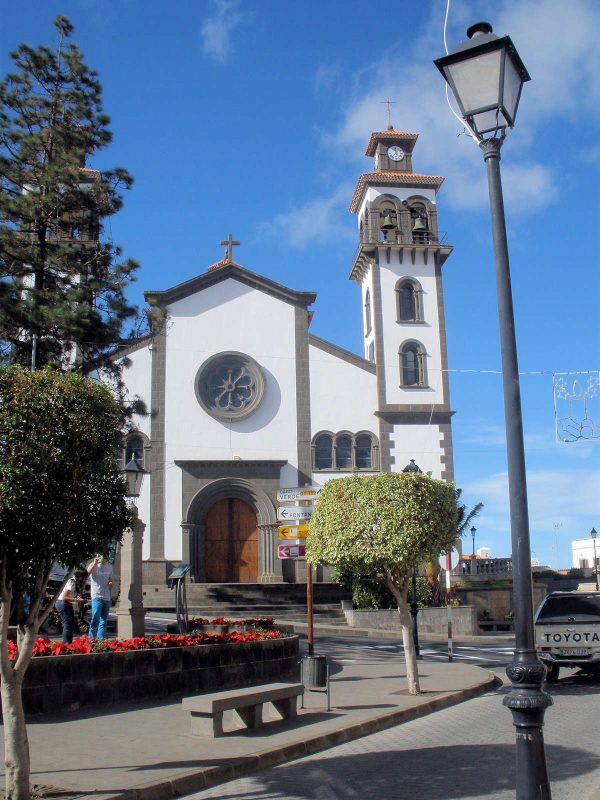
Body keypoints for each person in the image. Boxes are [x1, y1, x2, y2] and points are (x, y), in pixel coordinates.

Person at [87, 553, 113, 639]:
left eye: (104, 556)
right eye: (100, 556)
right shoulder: (93, 565)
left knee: (103, 621)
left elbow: (111, 579)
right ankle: (91, 639)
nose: (102, 558)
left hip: (107, 597)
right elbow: (87, 574)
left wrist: (110, 583)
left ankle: (100, 640)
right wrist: (94, 563)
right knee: (95, 619)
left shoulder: (109, 567)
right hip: (96, 596)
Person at [55, 573, 85, 643]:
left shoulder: (77, 584)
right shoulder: (72, 582)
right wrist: (76, 600)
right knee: (67, 624)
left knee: (70, 624)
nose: (84, 580)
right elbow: (64, 597)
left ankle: (69, 643)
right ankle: (66, 644)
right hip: (62, 602)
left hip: (66, 603)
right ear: (78, 577)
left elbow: (78, 597)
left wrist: (81, 611)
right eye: (83, 578)